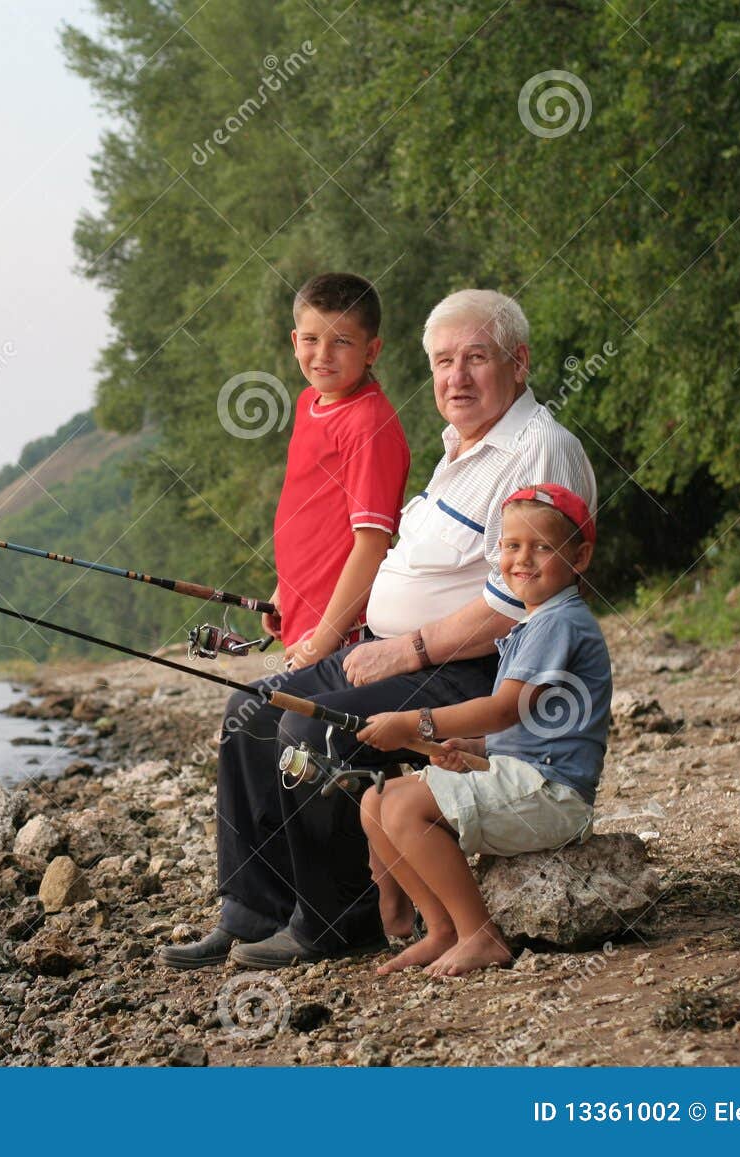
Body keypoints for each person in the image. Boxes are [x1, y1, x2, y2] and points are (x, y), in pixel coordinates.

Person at [159, 288, 597, 971]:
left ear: (518, 363)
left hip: (464, 666)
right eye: (443, 361)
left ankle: (338, 918)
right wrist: (327, 617)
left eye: (476, 358)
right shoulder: (461, 450)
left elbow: (518, 598)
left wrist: (407, 649)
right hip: (391, 651)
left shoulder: (538, 449)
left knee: (310, 730)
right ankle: (253, 910)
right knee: (250, 709)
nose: (456, 377)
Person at [357, 484, 611, 976]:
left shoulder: (560, 623)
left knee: (406, 808)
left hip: (554, 795)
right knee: (376, 800)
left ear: (579, 557)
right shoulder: (534, 625)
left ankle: (481, 935)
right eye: (513, 545)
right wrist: (472, 748)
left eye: (542, 546)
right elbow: (527, 726)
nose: (524, 559)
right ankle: (442, 929)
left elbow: (503, 710)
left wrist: (415, 721)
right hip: (524, 779)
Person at [264, 272, 410, 671]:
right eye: (311, 339)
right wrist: (285, 589)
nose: (323, 354)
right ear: (295, 342)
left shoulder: (368, 424)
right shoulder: (309, 401)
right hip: (307, 621)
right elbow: (314, 517)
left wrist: (322, 643)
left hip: (344, 633)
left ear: (371, 350)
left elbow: (372, 544)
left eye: (341, 341)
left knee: (265, 708)